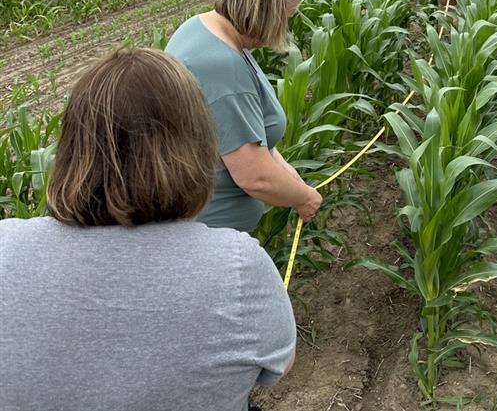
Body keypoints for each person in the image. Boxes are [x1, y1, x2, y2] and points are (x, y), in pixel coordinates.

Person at [0, 49, 296, 411]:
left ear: (71, 146)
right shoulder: (237, 267)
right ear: (197, 147)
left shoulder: (6, 245)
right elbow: (276, 367)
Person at [166, 0, 322, 233]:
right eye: (283, 19)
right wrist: (305, 197)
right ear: (265, 14)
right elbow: (256, 178)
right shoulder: (221, 67)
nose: (283, 30)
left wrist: (291, 180)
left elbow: (247, 136)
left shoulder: (202, 28)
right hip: (210, 235)